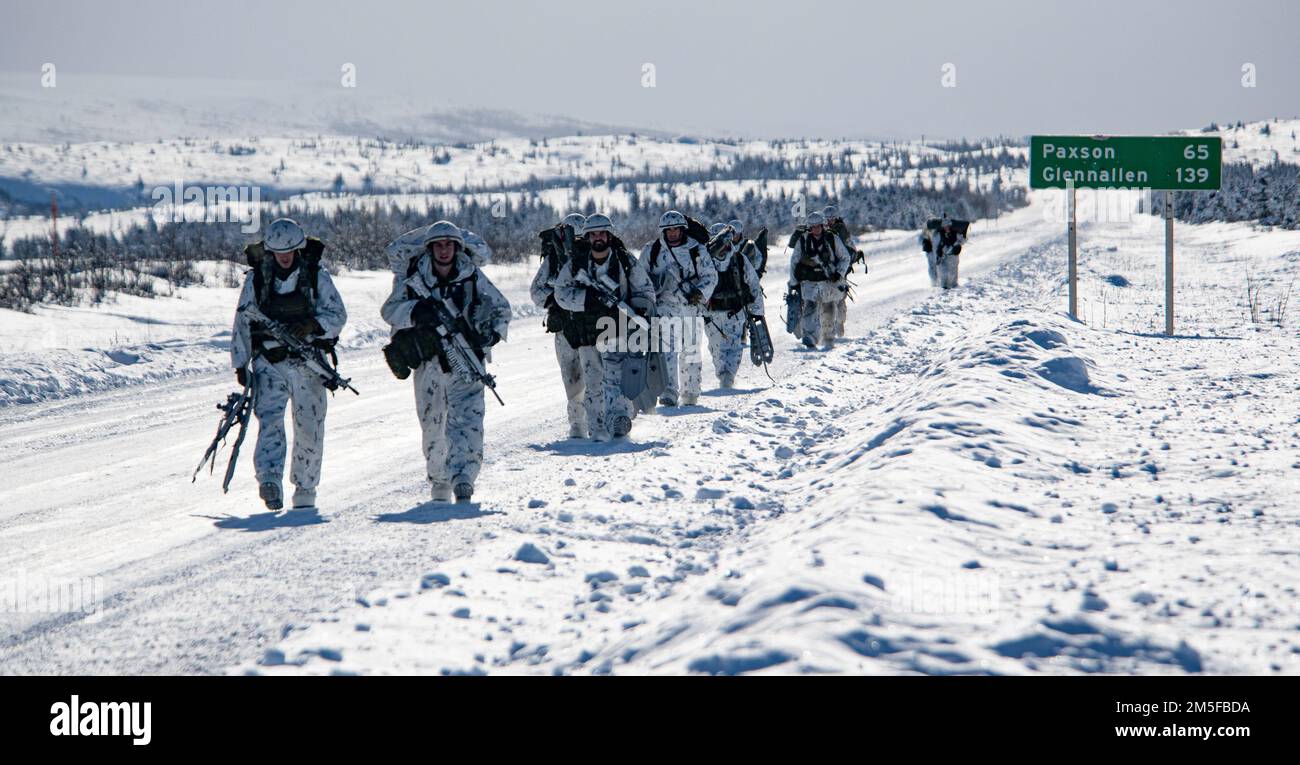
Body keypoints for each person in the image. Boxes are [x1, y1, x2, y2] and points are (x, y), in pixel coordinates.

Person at [380, 220, 511, 503]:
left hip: (466, 362)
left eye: (448, 245)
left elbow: (501, 309)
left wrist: (491, 335)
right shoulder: (414, 278)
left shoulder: (472, 276)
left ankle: (463, 477)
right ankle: (439, 480)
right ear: (430, 249)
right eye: (438, 245)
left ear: (457, 248)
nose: (443, 250)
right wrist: (416, 313)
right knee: (433, 424)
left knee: (468, 421)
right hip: (430, 364)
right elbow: (390, 311)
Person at [231, 217, 348, 511]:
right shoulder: (257, 278)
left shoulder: (316, 276)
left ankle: (305, 489)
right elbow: (242, 320)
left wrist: (313, 326)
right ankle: (269, 480)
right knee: (269, 421)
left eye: (290, 251)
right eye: (278, 252)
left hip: (308, 363)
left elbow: (337, 315)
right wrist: (241, 363)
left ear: (298, 250)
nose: (284, 257)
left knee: (309, 425)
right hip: (269, 361)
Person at [553, 213, 655, 441]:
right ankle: (598, 427)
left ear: (609, 235)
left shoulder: (625, 261)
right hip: (588, 333)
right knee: (593, 382)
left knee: (617, 378)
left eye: (602, 233)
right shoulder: (576, 264)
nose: (598, 238)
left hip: (617, 328)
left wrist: (640, 312)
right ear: (588, 237)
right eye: (594, 234)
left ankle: (619, 419)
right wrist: (586, 299)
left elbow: (646, 291)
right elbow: (561, 294)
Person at [640, 210, 717, 407]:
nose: (672, 233)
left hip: (690, 307)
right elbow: (640, 279)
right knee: (666, 350)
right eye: (669, 229)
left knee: (690, 351)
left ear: (682, 230)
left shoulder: (697, 250)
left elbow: (710, 276)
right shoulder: (652, 251)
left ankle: (690, 393)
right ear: (663, 231)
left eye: (676, 229)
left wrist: (699, 293)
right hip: (664, 307)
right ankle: (668, 392)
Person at [530, 212, 588, 438]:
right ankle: (577, 425)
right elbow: (536, 292)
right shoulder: (553, 259)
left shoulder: (595, 257)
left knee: (594, 375)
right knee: (572, 376)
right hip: (564, 327)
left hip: (592, 327)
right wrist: (558, 298)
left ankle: (594, 421)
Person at [705, 224, 764, 388]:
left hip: (735, 311)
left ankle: (728, 376)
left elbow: (753, 284)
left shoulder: (739, 259)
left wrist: (758, 311)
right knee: (716, 349)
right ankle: (722, 373)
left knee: (735, 346)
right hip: (713, 314)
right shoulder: (704, 261)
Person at [787, 211, 851, 350]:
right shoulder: (803, 240)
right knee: (810, 308)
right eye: (813, 226)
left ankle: (828, 337)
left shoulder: (832, 239)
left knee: (828, 308)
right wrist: (794, 283)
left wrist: (839, 273)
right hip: (809, 282)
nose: (816, 229)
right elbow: (794, 261)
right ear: (810, 227)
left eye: (818, 226)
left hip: (829, 282)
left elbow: (845, 257)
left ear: (822, 226)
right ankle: (809, 337)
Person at [822, 205, 863, 339]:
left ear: (836, 219)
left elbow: (850, 250)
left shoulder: (841, 231)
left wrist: (842, 269)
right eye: (827, 219)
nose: (829, 222)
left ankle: (839, 324)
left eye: (831, 219)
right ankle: (826, 328)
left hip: (840, 270)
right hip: (824, 271)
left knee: (839, 300)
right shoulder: (820, 231)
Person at [920, 213, 966, 289]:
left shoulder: (954, 233)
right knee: (941, 269)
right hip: (939, 254)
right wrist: (927, 244)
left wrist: (958, 245)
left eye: (948, 225)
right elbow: (935, 244)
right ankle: (940, 285)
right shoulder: (936, 233)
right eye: (945, 226)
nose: (946, 227)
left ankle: (953, 285)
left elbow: (962, 239)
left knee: (952, 270)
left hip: (952, 255)